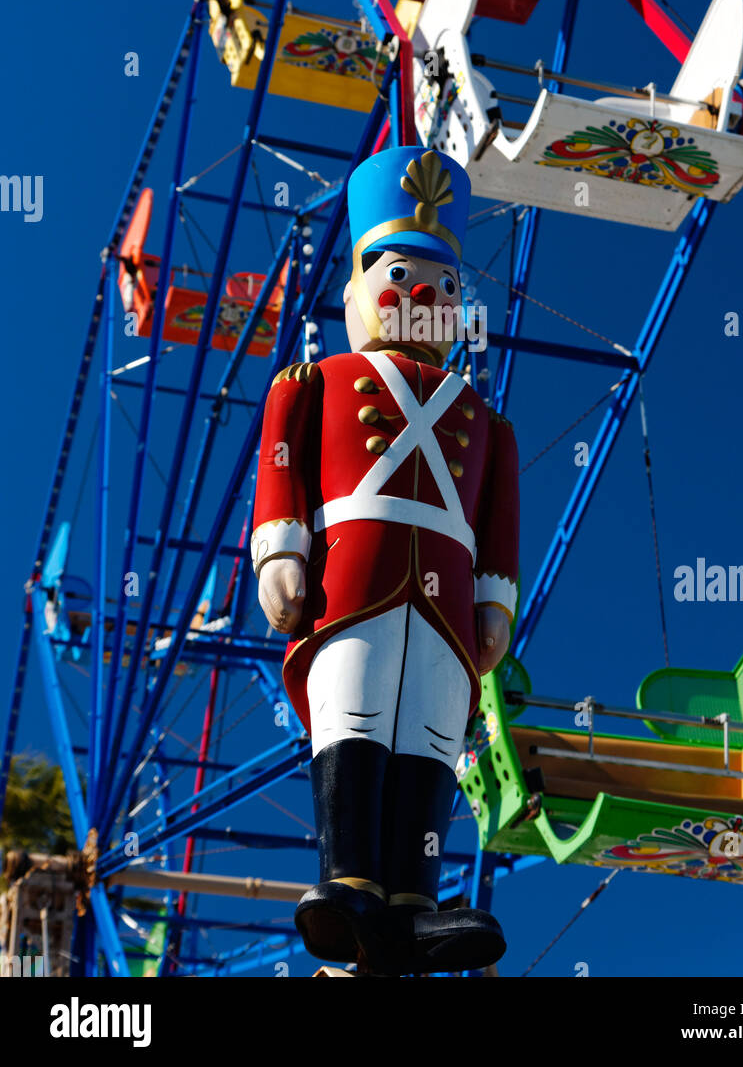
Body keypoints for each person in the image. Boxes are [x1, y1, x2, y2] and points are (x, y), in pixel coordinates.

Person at [251, 146, 519, 975]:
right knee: (357, 720)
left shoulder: (488, 423)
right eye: (400, 275)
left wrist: (495, 603)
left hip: (441, 601)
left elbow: (498, 523)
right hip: (354, 578)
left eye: (442, 287)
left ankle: (413, 903)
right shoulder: (313, 380)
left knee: (433, 740)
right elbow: (284, 463)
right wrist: (281, 550)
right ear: (356, 290)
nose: (421, 298)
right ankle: (350, 883)